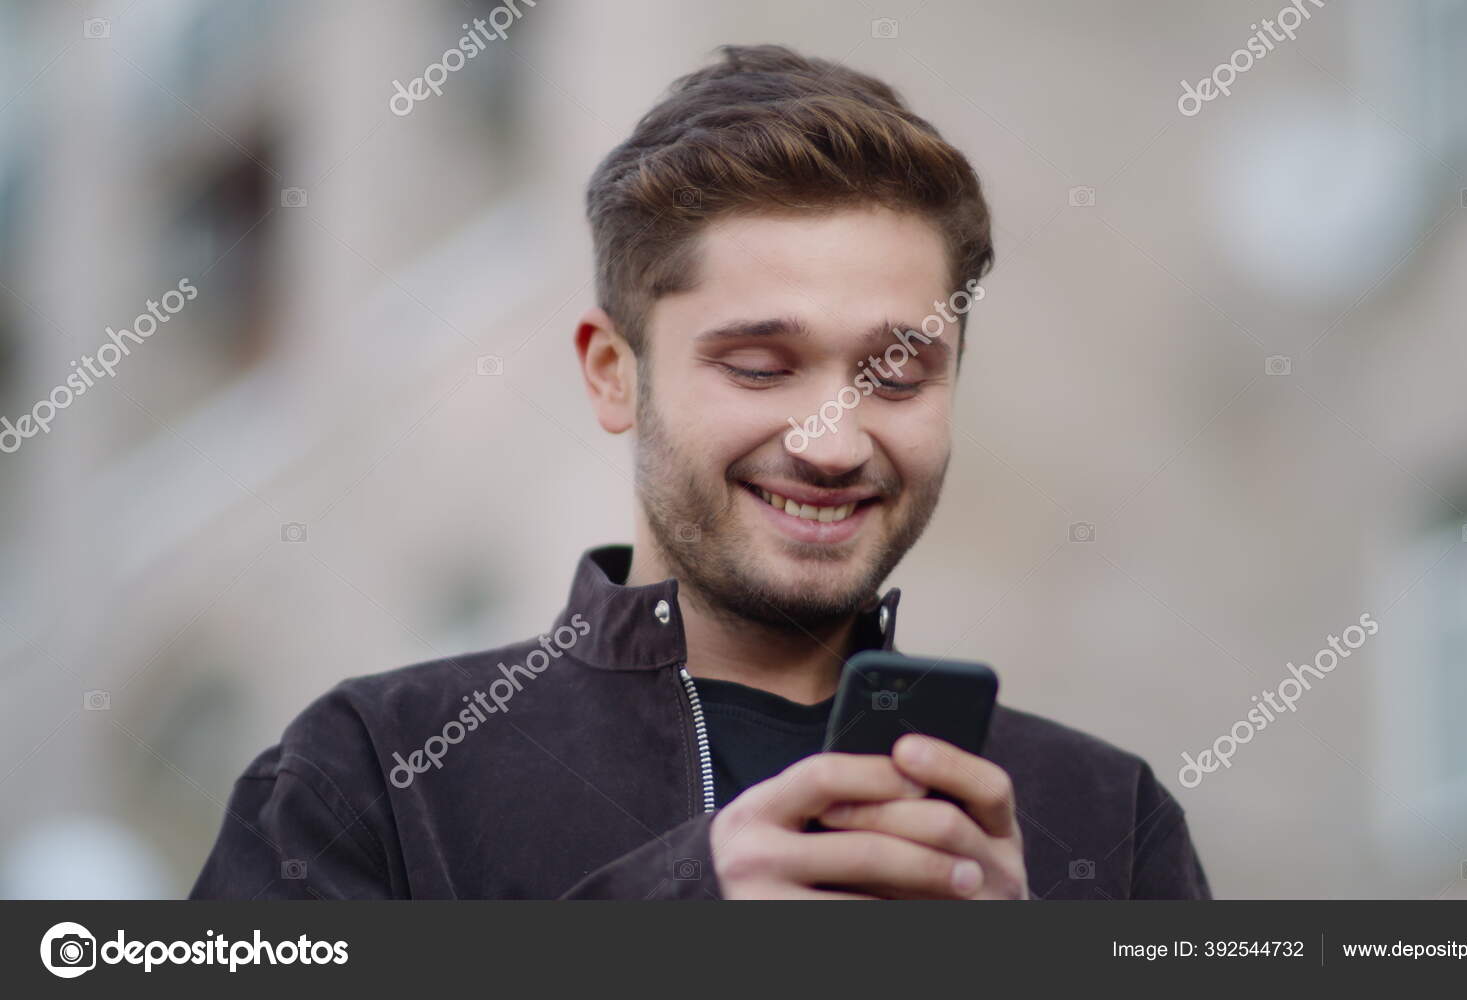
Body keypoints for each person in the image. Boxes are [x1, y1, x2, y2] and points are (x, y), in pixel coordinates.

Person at [191, 44, 1209, 900]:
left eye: (896, 376)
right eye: (761, 367)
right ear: (611, 375)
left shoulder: (1109, 820)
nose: (832, 441)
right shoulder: (368, 774)